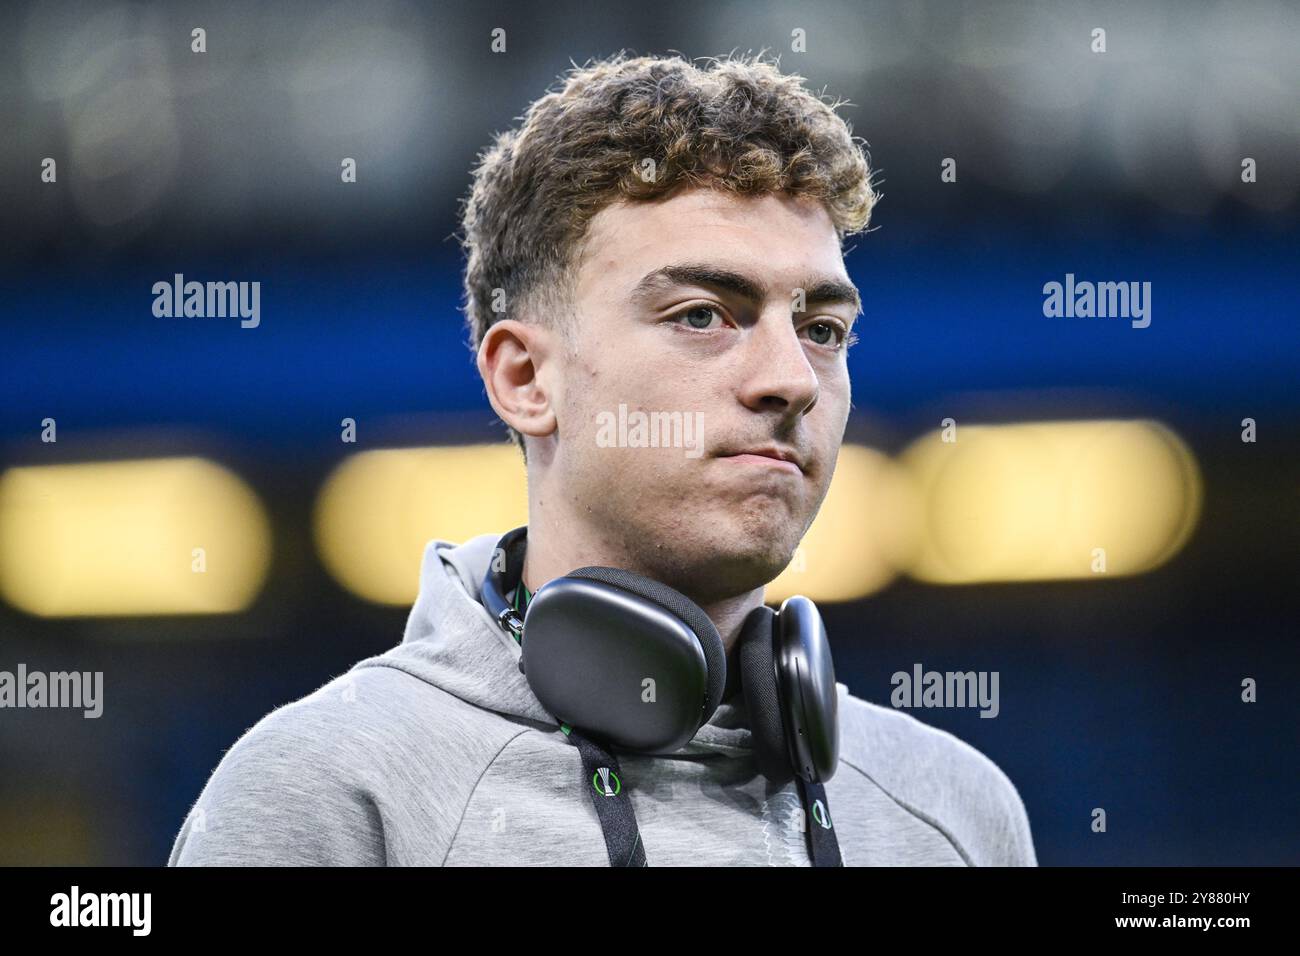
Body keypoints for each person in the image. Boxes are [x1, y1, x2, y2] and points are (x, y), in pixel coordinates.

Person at [168, 51, 1036, 866]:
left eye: (823, 329)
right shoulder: (328, 792)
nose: (792, 380)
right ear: (526, 378)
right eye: (703, 315)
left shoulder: (956, 813)